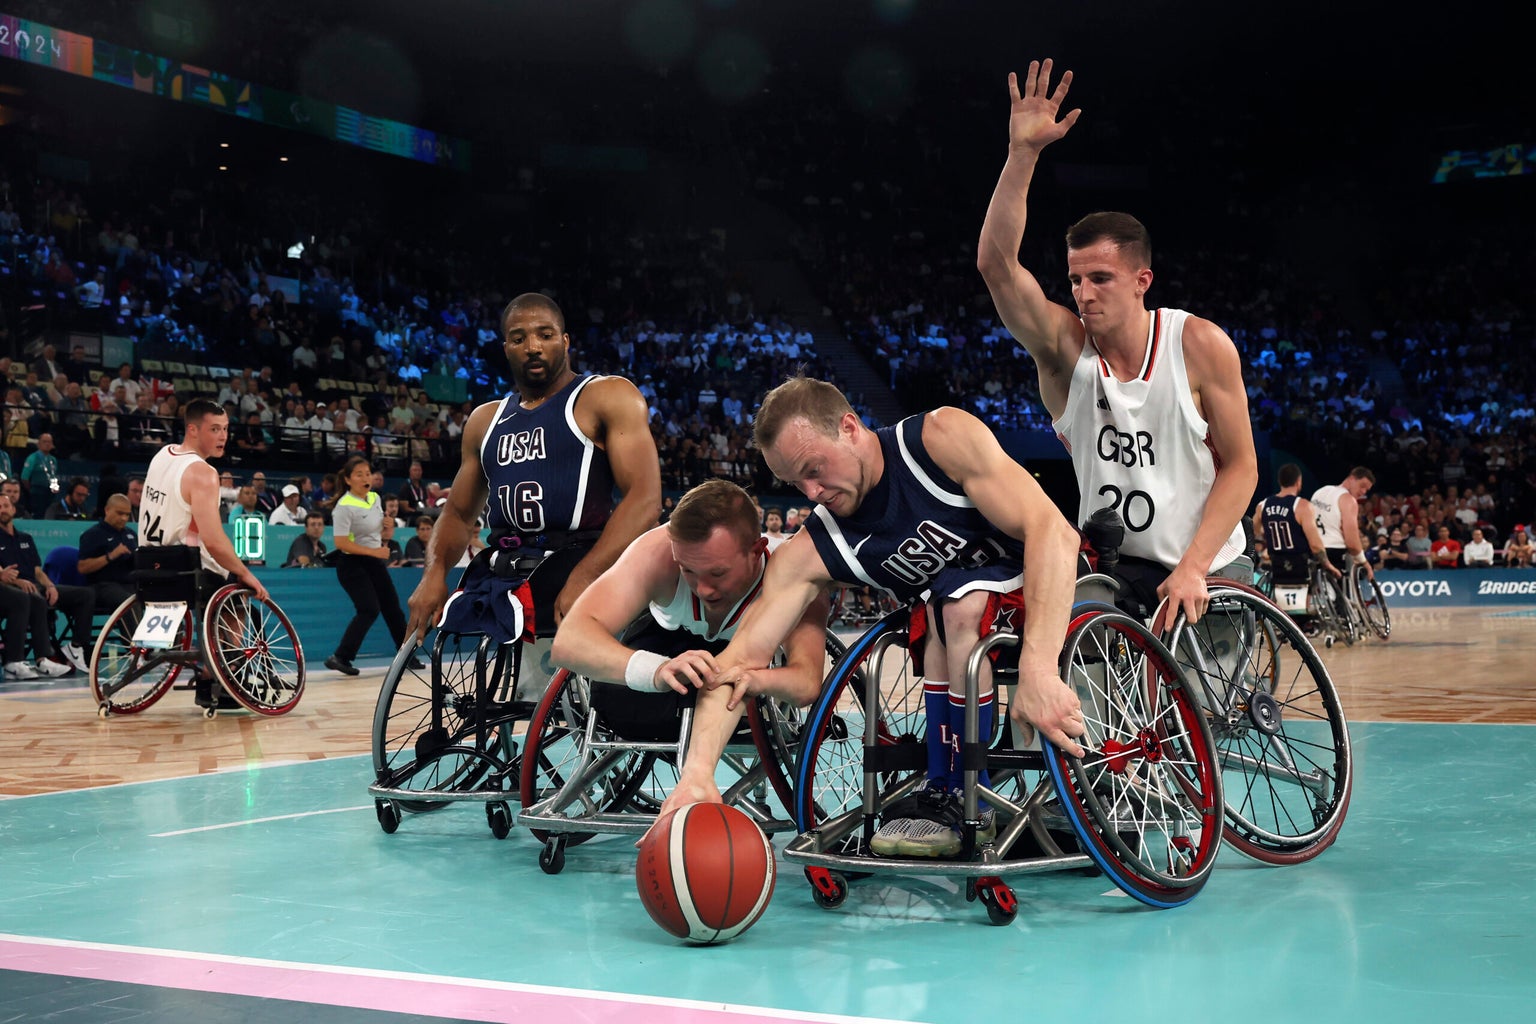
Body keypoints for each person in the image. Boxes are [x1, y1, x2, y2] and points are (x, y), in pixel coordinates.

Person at [652, 376, 1085, 858]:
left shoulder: (937, 440)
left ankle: (967, 792)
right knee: (943, 606)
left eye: (814, 469)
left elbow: (1054, 531)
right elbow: (738, 664)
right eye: (795, 483)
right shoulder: (813, 547)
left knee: (957, 600)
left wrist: (1039, 669)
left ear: (850, 427)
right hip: (956, 623)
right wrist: (696, 775)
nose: (811, 491)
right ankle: (948, 789)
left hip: (1052, 585)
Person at [975, 59, 1258, 624]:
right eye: (1076, 279)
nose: (1083, 293)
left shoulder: (1199, 344)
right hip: (1112, 568)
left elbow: (1243, 467)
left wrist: (1195, 566)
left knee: (1193, 708)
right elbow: (996, 266)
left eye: (1100, 278)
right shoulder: (1064, 351)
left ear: (1141, 281)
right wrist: (1022, 155)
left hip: (1205, 565)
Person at [403, 293, 661, 653]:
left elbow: (645, 499)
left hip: (579, 553)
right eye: (519, 338)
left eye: (545, 334)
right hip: (507, 563)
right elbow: (459, 514)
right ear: (506, 347)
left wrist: (586, 574)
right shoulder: (484, 421)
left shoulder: (605, 396)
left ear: (565, 341)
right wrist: (433, 573)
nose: (533, 347)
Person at [551, 478, 828, 753]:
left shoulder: (796, 571)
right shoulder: (658, 551)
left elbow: (806, 682)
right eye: (688, 570)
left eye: (717, 573)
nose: (703, 588)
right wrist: (655, 670)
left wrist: (756, 680)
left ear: (756, 552)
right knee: (617, 692)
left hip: (750, 664)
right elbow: (570, 640)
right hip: (665, 643)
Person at [139, 399, 270, 705]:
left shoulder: (162, 455)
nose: (222, 436)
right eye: (214, 429)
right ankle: (223, 681)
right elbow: (213, 540)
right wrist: (246, 573)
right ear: (193, 430)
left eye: (225, 429)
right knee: (241, 597)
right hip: (184, 571)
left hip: (147, 563)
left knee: (224, 582)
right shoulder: (203, 472)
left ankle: (210, 676)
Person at [324, 456, 410, 676]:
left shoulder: (374, 498)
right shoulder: (343, 506)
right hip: (351, 564)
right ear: (348, 479)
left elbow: (378, 531)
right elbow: (341, 543)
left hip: (372, 560)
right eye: (359, 474)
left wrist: (386, 526)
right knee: (369, 608)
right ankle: (341, 656)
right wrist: (375, 551)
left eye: (367, 473)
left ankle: (407, 656)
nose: (365, 478)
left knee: (392, 606)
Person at [0, 493, 95, 677]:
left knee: (86, 594)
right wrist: (18, 581)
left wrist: (50, 585)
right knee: (32, 598)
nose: (2, 510)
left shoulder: (25, 538)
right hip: (12, 588)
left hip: (35, 585)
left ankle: (75, 647)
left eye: (5, 506)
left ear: (13, 509)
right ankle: (33, 659)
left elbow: (37, 570)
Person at [1253, 464, 1338, 582]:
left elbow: (1255, 532)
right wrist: (1327, 564)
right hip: (1300, 568)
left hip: (1276, 568)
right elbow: (1315, 545)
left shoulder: (1262, 506)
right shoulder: (1303, 506)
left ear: (1280, 481)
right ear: (1299, 482)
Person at [77, 493, 138, 613]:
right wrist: (110, 556)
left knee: (160, 596)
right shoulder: (92, 534)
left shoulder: (131, 534)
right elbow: (82, 567)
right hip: (102, 585)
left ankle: (177, 631)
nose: (124, 518)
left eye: (127, 514)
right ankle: (135, 632)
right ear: (107, 510)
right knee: (129, 602)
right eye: (120, 513)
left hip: (129, 583)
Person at [1311, 468, 1377, 577]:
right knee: (1338, 592)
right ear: (1352, 478)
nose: (1364, 491)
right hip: (1333, 552)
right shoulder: (1348, 500)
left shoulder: (1321, 491)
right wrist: (1364, 561)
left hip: (1312, 549)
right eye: (1362, 486)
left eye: (1367, 490)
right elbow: (1352, 542)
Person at [20, 433, 60, 516]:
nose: (47, 444)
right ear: (39, 444)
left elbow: (53, 475)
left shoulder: (53, 459)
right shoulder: (33, 458)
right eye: (44, 441)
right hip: (37, 491)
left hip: (50, 492)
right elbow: (24, 477)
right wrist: (31, 489)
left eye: (49, 442)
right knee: (38, 514)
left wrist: (55, 487)